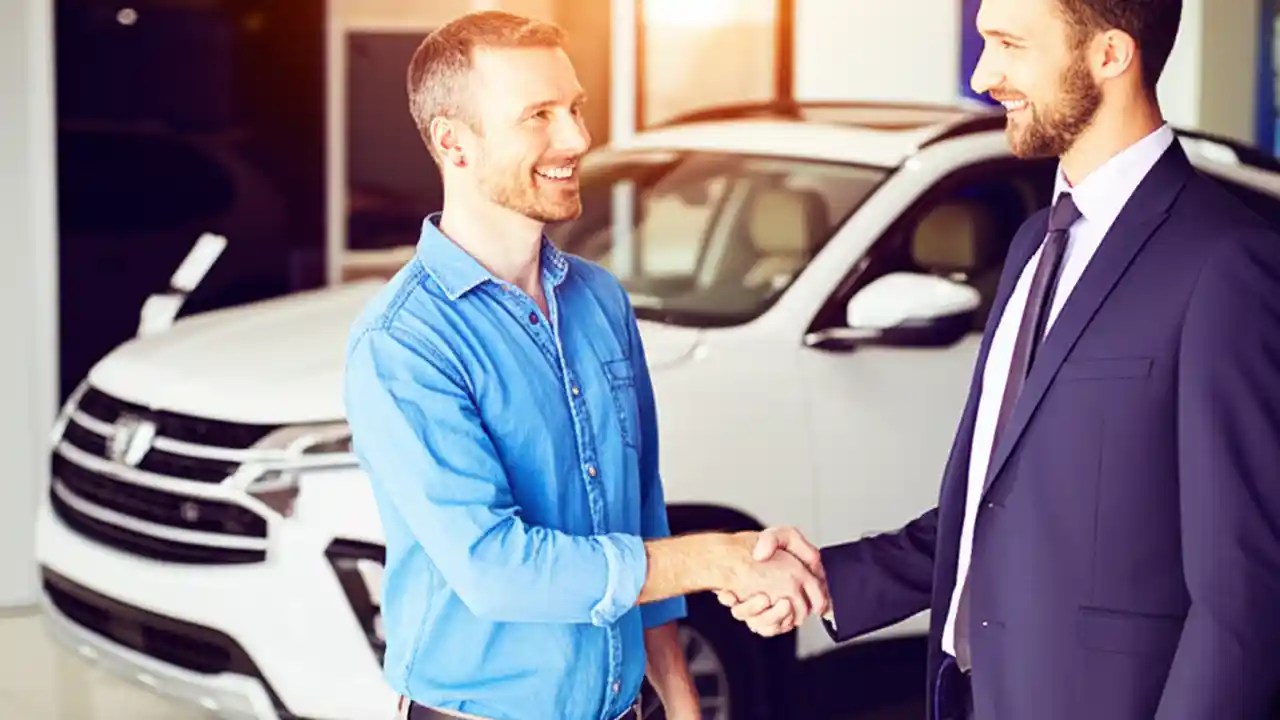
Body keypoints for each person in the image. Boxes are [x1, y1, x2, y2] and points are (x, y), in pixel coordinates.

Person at [722, 0, 1280, 718]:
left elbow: (1245, 595)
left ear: (1109, 55)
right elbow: (1004, 504)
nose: (985, 76)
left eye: (1009, 44)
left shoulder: (1227, 264)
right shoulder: (1031, 246)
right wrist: (832, 577)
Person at [342, 11, 826, 720]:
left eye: (574, 108)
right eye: (537, 115)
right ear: (454, 143)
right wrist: (718, 558)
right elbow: (497, 569)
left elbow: (639, 515)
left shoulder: (600, 301)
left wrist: (682, 701)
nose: (576, 138)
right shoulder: (404, 341)